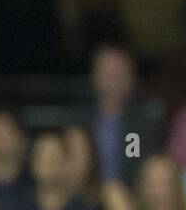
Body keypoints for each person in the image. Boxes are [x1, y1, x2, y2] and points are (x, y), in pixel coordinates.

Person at [65, 45, 167, 191]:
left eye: (119, 72)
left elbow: (136, 162)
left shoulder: (144, 121)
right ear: (94, 76)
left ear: (132, 78)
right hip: (86, 198)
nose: (113, 79)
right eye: (107, 72)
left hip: (130, 197)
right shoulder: (78, 119)